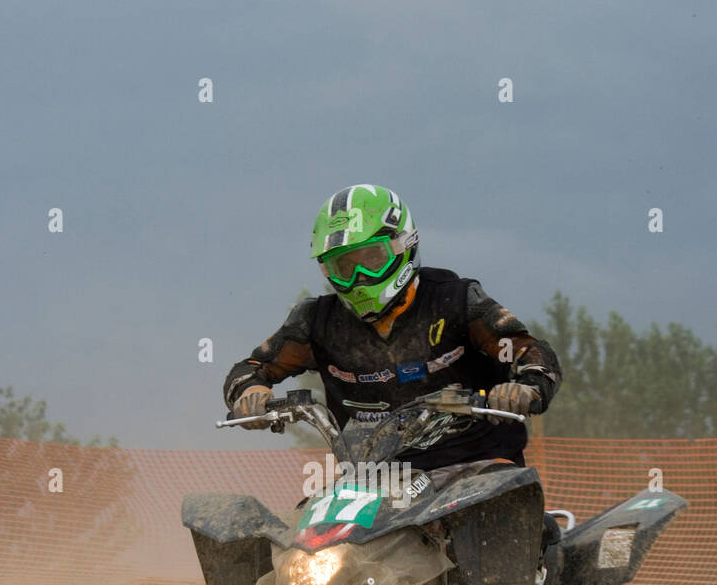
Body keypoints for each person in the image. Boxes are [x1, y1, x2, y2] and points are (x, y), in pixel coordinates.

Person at [223, 184, 561, 470]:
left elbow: (530, 351)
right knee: (301, 539)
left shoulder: (456, 301)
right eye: (344, 266)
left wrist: (524, 389)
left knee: (499, 525)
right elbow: (250, 369)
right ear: (327, 272)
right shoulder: (316, 322)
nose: (359, 278)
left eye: (371, 260)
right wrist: (251, 393)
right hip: (373, 483)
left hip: (478, 468)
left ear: (403, 246)